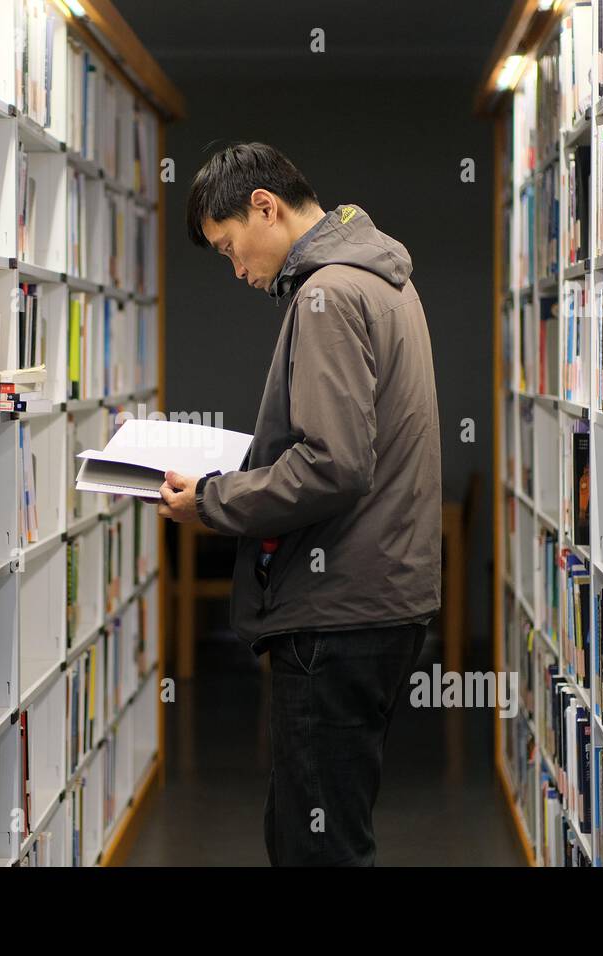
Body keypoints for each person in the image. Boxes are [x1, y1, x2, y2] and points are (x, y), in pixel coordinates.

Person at [156, 142, 442, 866]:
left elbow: (333, 464)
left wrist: (213, 503)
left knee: (315, 846)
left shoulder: (327, 294)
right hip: (381, 597)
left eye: (229, 248)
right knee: (321, 827)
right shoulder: (384, 282)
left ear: (265, 207)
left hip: (338, 607)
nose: (238, 270)